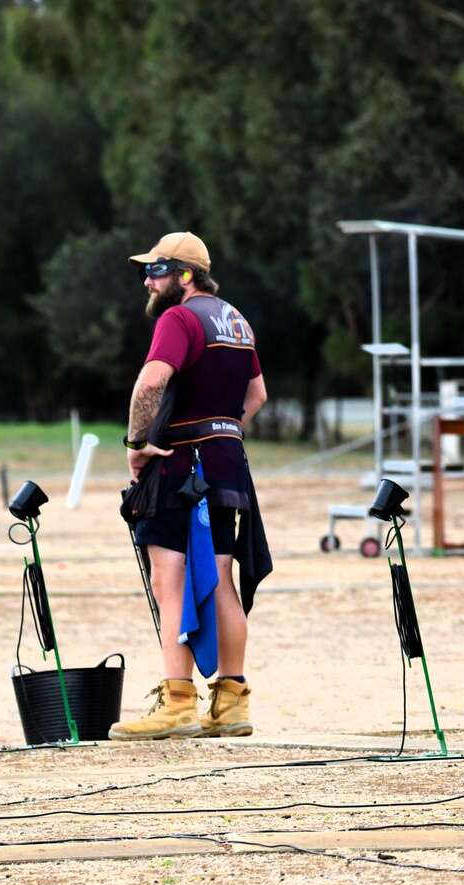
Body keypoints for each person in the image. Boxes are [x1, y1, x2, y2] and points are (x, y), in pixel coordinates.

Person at [111, 231, 270, 741]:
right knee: (220, 577)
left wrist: (138, 441)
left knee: (170, 579)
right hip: (227, 462)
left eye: (155, 271)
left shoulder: (179, 319)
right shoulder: (236, 320)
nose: (148, 282)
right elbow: (257, 394)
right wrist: (223, 429)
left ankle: (177, 699)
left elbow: (152, 381)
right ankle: (231, 703)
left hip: (181, 464)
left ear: (184, 276)